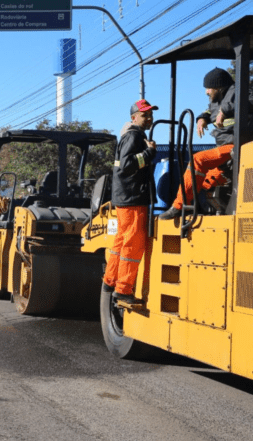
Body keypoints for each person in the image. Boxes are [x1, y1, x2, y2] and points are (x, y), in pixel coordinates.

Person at [160, 67, 253, 219]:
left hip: (239, 146)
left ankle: (178, 206)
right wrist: (202, 118)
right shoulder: (217, 100)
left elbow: (249, 102)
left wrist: (226, 110)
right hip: (226, 150)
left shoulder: (241, 91)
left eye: (209, 88)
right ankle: (219, 211)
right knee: (208, 181)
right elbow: (210, 111)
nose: (206, 92)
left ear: (219, 86)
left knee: (198, 160)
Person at [104, 99, 158, 304]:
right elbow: (127, 165)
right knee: (133, 244)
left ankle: (109, 281)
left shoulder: (129, 136)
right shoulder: (134, 136)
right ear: (134, 117)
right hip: (133, 198)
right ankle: (124, 290)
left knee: (121, 241)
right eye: (145, 115)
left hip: (126, 197)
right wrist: (149, 153)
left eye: (150, 114)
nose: (149, 118)